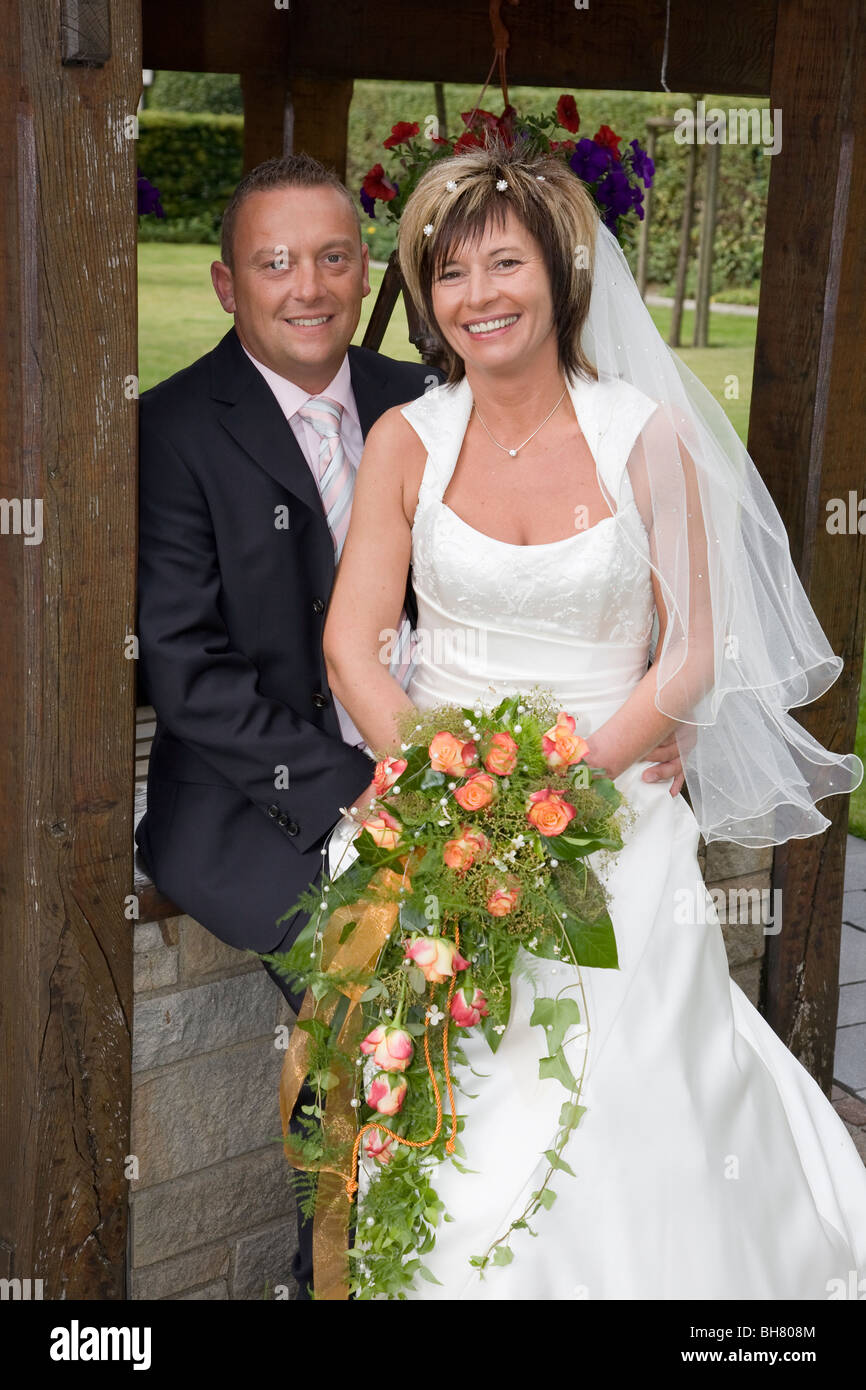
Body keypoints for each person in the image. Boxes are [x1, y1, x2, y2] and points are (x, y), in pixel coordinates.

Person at [320, 140, 866, 1298]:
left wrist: (558, 781)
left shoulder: (644, 437)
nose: (478, 298)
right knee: (445, 1099)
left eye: (502, 265)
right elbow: (350, 643)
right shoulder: (404, 442)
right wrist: (439, 779)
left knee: (621, 1107)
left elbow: (688, 652)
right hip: (440, 824)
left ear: (562, 274)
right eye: (450, 275)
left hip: (612, 819)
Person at [134, 154, 443, 1299]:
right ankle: (333, 1265)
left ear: (364, 270)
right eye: (274, 262)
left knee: (473, 968)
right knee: (383, 994)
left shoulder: (420, 398)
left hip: (419, 764)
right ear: (226, 285)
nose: (307, 285)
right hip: (245, 803)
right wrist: (356, 791)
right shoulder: (171, 427)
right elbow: (185, 666)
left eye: (330, 256)